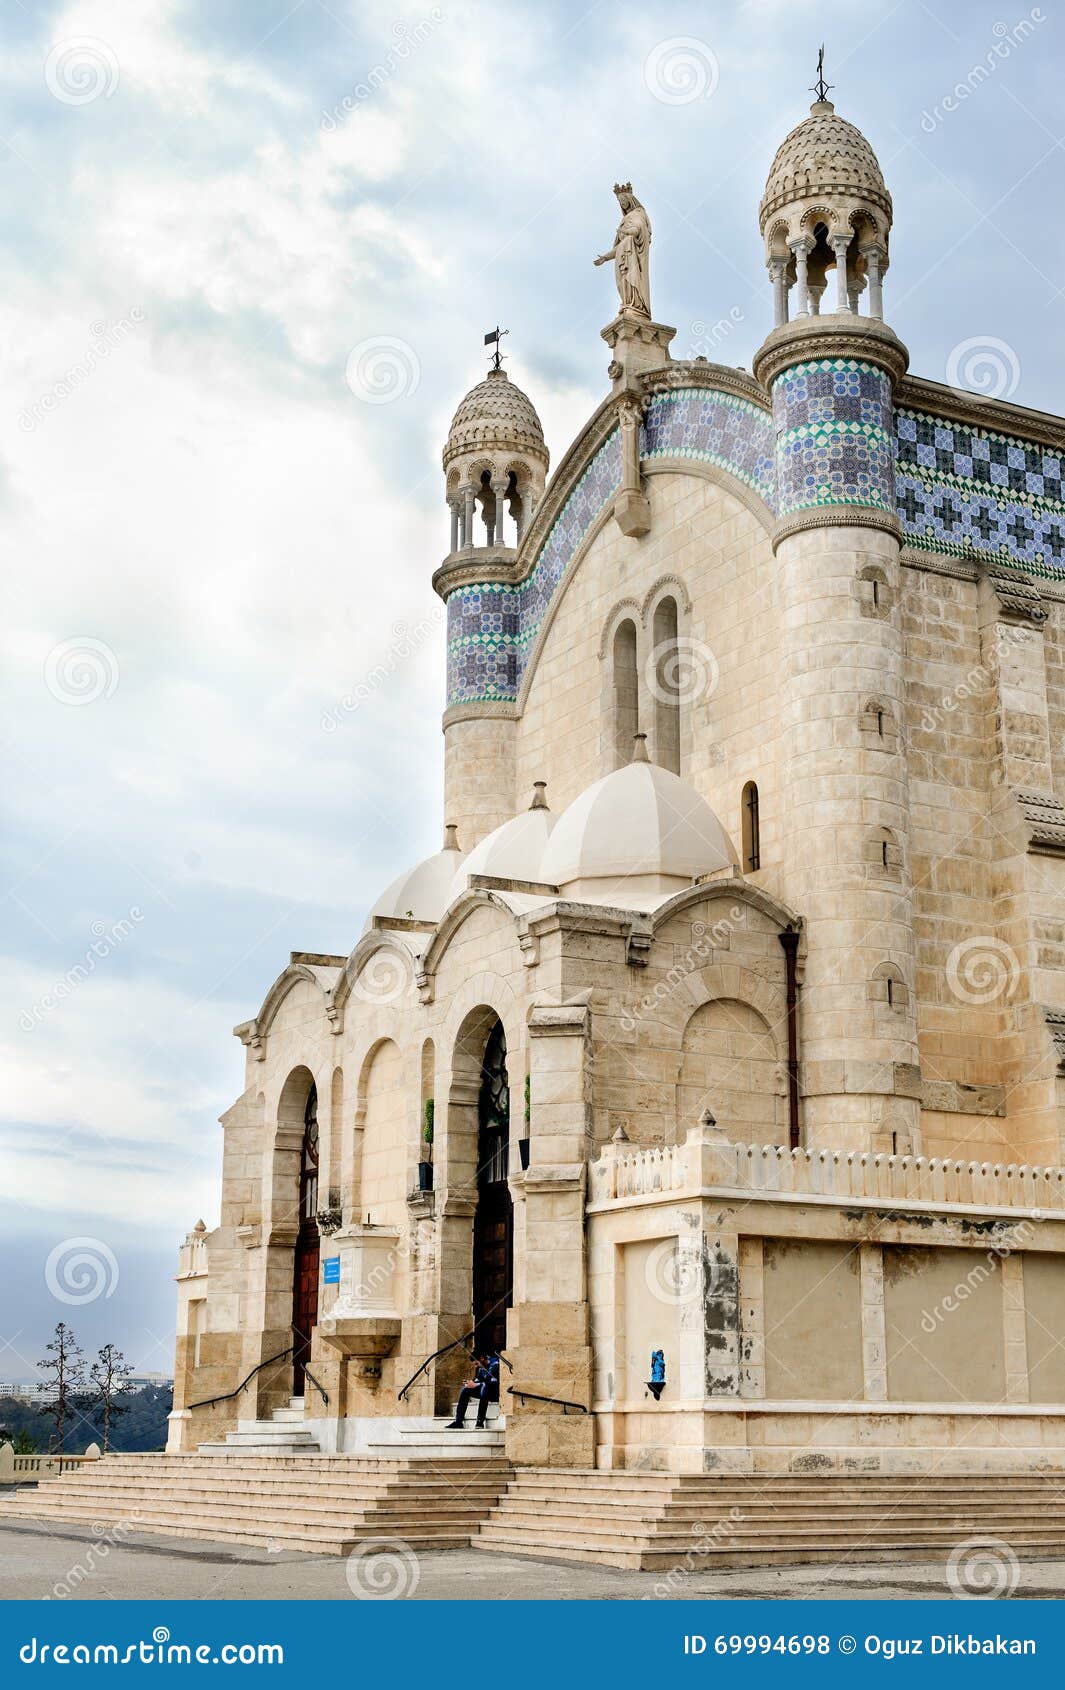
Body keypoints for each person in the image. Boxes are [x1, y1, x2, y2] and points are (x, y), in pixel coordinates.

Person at [445, 1351, 500, 1428]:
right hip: (484, 1391)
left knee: (484, 1387)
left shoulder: (495, 1364)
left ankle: (480, 1421)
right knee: (465, 1390)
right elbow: (478, 1380)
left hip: (496, 1392)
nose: (475, 1366)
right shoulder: (481, 1367)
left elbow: (492, 1381)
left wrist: (476, 1384)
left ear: (482, 1358)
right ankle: (458, 1421)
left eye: (476, 1364)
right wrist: (470, 1383)